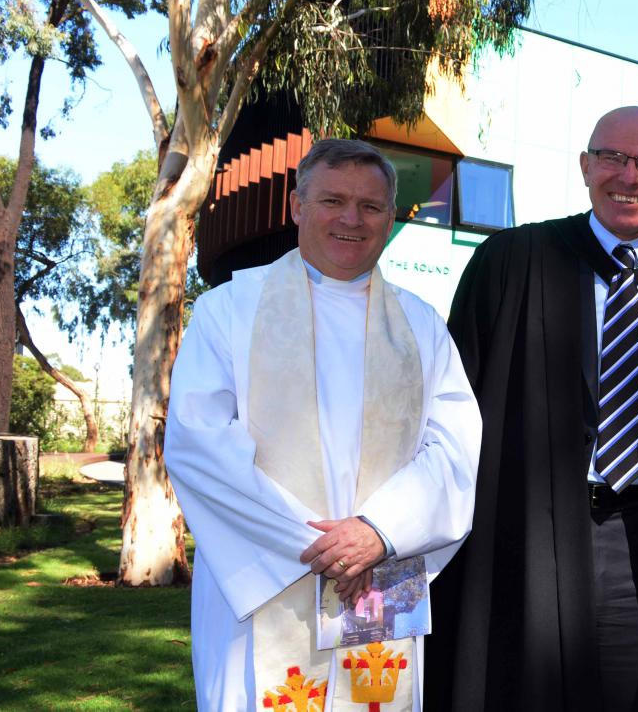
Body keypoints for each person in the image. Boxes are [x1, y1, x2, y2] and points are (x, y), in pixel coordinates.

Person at [424, 106, 638, 711]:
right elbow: (448, 410)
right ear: (585, 166)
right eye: (613, 158)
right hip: (528, 537)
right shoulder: (511, 262)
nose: (629, 176)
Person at [166, 139, 483, 712]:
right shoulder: (228, 310)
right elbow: (198, 446)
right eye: (333, 200)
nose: (351, 219)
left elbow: (455, 450)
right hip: (266, 577)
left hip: (381, 579)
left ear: (390, 217)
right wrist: (321, 546)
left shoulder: (421, 324)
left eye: (370, 206)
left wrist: (379, 533)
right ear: (296, 207)